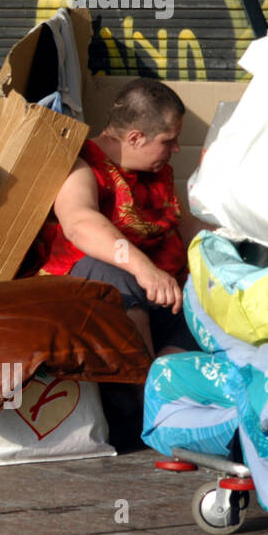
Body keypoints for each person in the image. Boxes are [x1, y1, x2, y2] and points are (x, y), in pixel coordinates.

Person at [35, 77, 208, 358]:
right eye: (169, 140)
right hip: (89, 294)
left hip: (158, 293)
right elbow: (79, 223)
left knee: (203, 294)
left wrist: (234, 242)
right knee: (114, 277)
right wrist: (143, 269)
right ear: (135, 138)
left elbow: (181, 223)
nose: (176, 148)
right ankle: (139, 387)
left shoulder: (156, 171)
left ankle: (165, 385)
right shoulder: (81, 164)